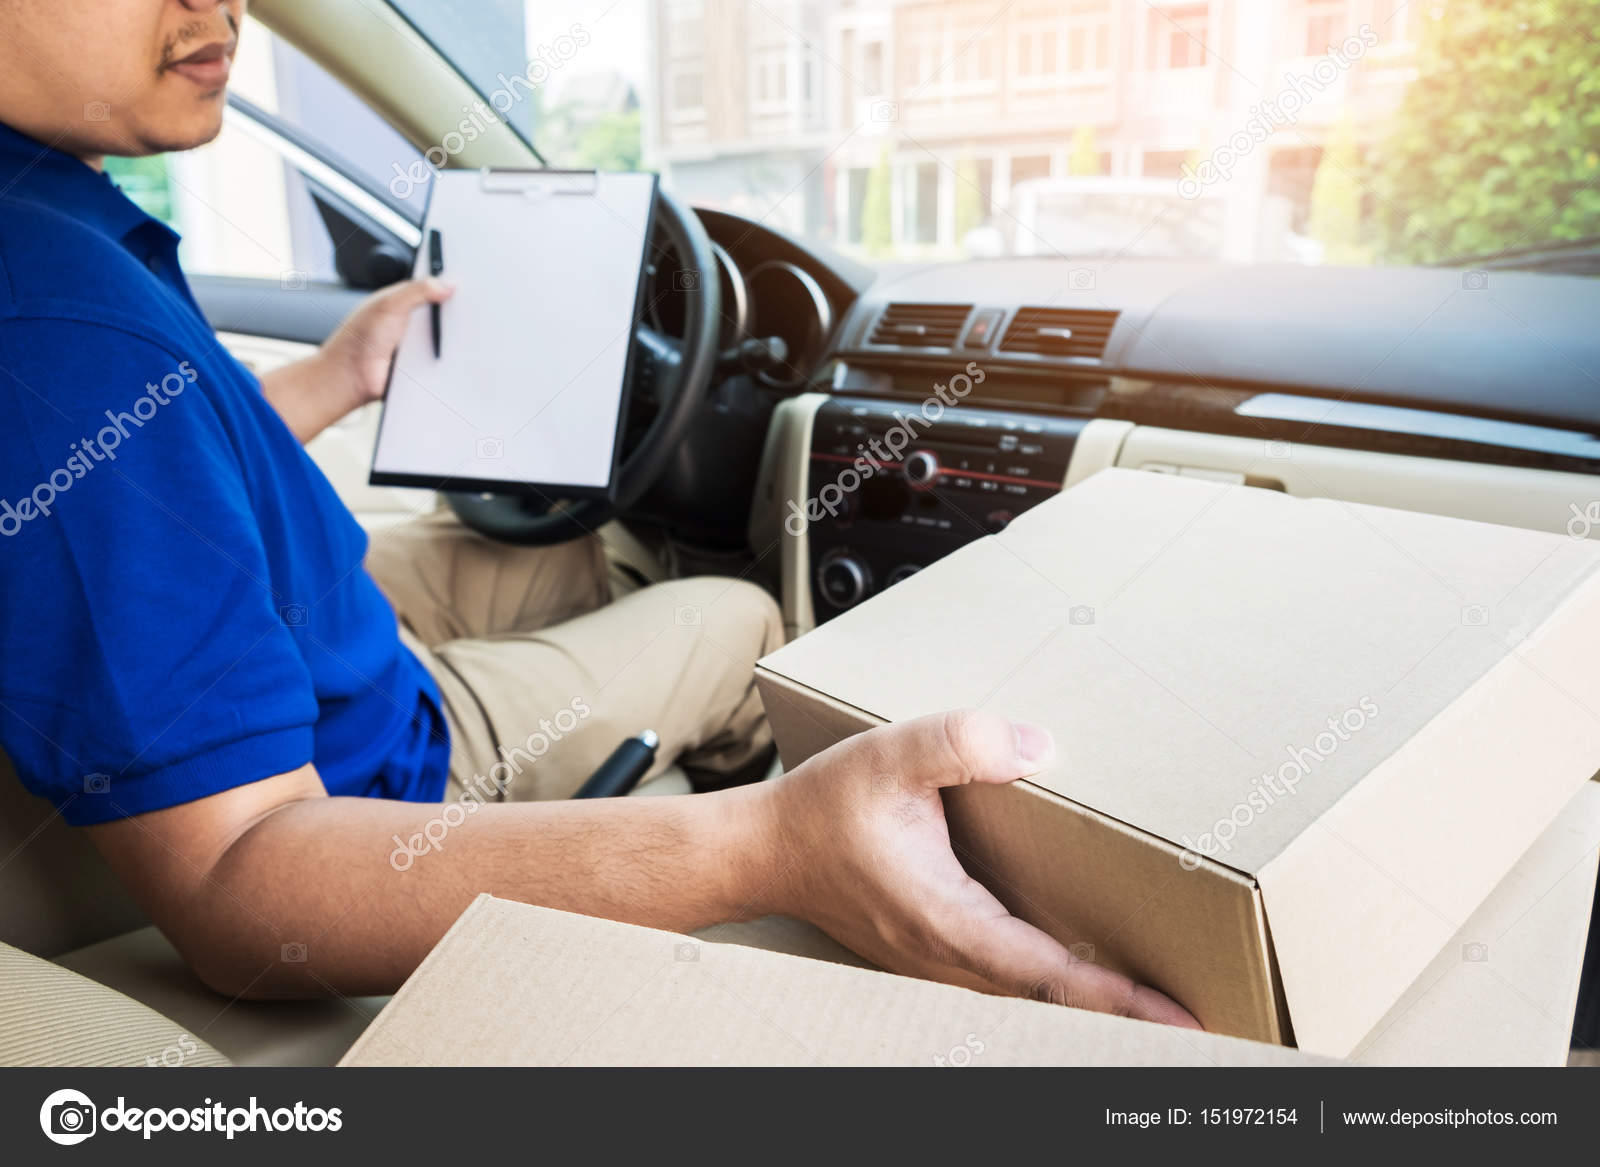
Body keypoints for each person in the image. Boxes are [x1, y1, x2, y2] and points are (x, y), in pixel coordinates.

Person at [0, 0, 1195, 1028]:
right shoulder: (58, 325)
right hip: (378, 761)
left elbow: (153, 476)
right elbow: (235, 884)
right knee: (733, 612)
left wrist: (332, 380)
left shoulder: (56, 208)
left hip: (308, 616)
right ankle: (820, 865)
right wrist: (773, 844)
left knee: (587, 543)